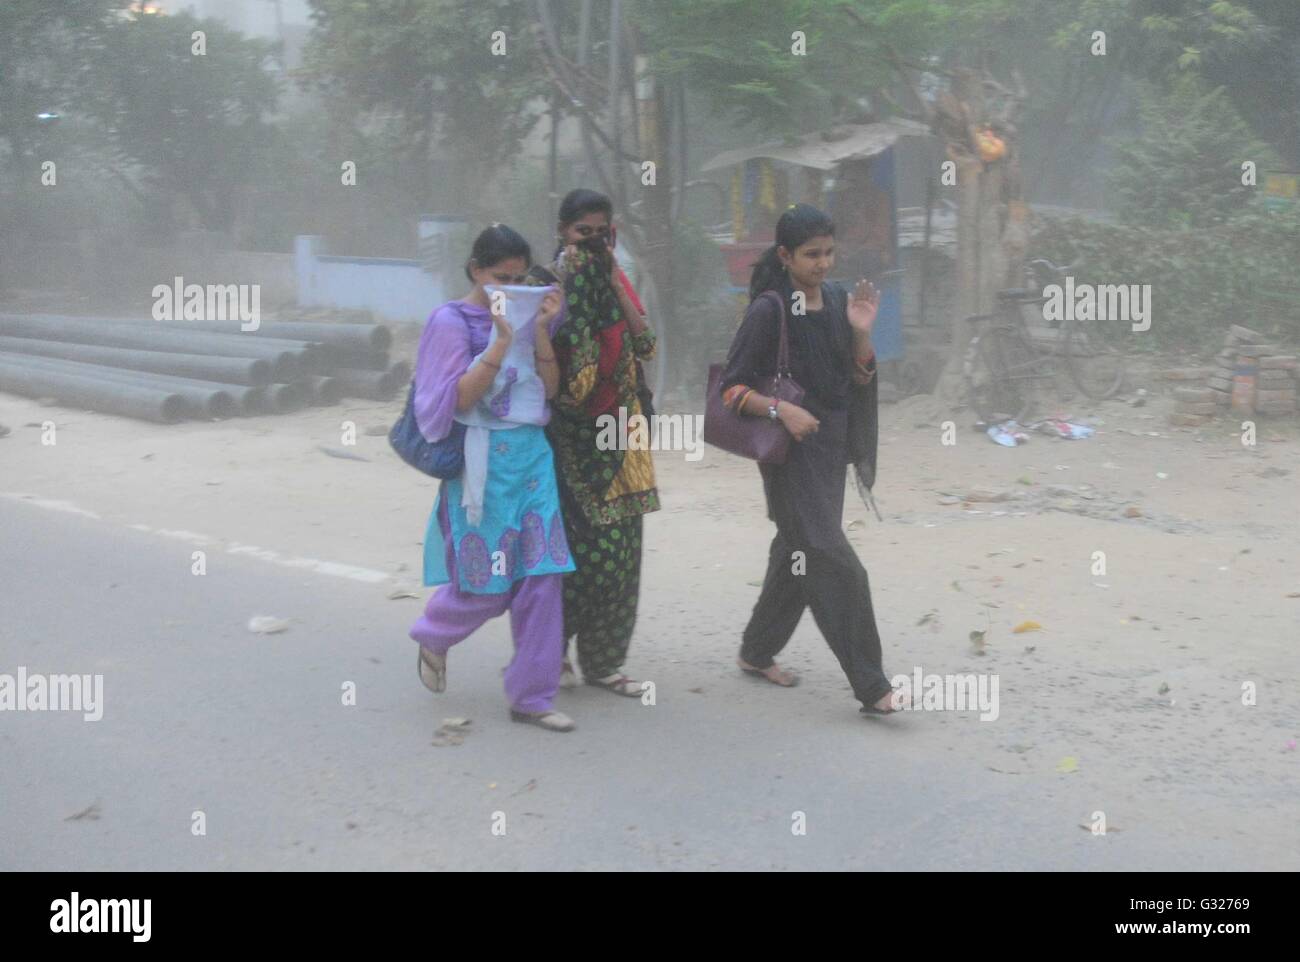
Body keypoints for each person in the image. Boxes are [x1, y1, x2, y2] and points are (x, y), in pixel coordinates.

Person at [718, 203, 908, 716]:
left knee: (796, 551)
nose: (823, 264)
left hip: (828, 449)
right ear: (785, 256)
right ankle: (872, 685)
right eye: (811, 255)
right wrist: (783, 410)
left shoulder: (842, 299)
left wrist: (862, 333)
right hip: (788, 453)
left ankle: (756, 652)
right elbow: (731, 390)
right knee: (831, 558)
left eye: (828, 252)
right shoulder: (769, 310)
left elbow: (858, 378)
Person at [408, 224, 577, 733]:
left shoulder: (532, 313)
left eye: (519, 276)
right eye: (499, 277)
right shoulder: (451, 321)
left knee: (544, 575)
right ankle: (433, 633)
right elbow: (455, 400)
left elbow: (549, 391)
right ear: (476, 271)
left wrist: (540, 332)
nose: (510, 286)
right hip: (482, 464)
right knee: (488, 583)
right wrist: (502, 341)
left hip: (532, 459)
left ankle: (531, 696)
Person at [528, 189, 659, 697]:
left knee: (625, 554)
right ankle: (553, 648)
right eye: (583, 233)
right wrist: (578, 293)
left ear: (614, 234)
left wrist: (610, 283)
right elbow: (570, 381)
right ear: (563, 232)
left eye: (602, 233)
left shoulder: (612, 276)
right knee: (580, 552)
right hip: (572, 438)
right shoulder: (545, 284)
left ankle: (604, 662)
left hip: (624, 433)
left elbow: (645, 343)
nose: (592, 243)